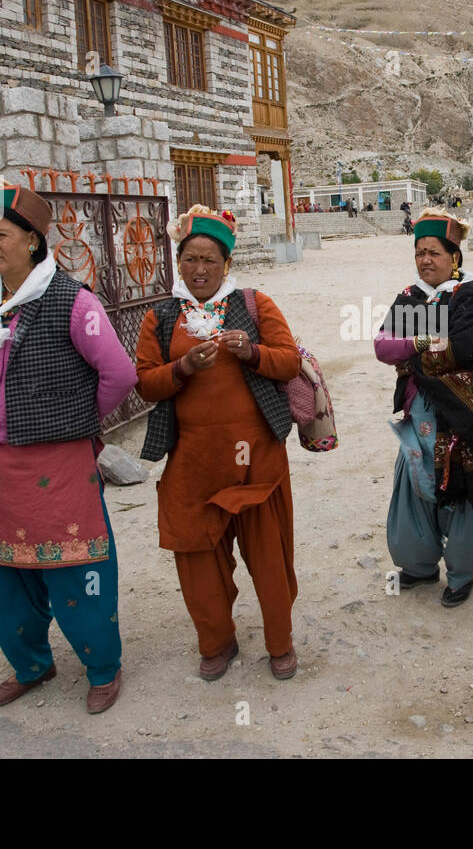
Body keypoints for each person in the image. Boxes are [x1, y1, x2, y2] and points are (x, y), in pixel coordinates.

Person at [0, 184, 137, 714]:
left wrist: (77, 421)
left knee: (78, 568)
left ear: (32, 240)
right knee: (4, 574)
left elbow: (120, 373)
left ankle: (102, 667)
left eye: (0, 234)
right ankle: (31, 664)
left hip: (58, 464)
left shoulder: (73, 300)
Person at [135, 206, 303, 681]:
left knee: (269, 556)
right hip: (192, 461)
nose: (200, 270)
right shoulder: (162, 316)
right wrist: (184, 369)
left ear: (227, 264)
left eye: (211, 260)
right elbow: (145, 383)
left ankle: (279, 642)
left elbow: (288, 362)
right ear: (179, 261)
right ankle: (216, 642)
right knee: (196, 556)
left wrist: (250, 352)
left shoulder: (252, 304)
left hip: (256, 460)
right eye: (191, 259)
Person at [375, 209, 473, 608]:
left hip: (466, 415)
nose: (425, 260)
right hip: (420, 414)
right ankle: (418, 566)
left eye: (434, 252)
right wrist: (425, 344)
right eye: (419, 252)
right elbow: (382, 347)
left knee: (468, 491)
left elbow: (468, 348)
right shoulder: (410, 295)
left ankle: (462, 574)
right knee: (415, 485)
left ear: (455, 256)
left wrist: (412, 348)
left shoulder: (472, 293)